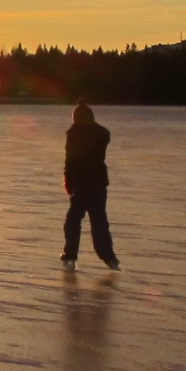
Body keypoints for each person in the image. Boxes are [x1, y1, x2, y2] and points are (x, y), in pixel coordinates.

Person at [61, 103, 119, 269]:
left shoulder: (74, 134)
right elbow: (105, 135)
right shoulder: (101, 133)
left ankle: (70, 255)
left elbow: (70, 160)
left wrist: (68, 180)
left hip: (82, 184)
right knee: (99, 220)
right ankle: (109, 257)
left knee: (72, 220)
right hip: (99, 184)